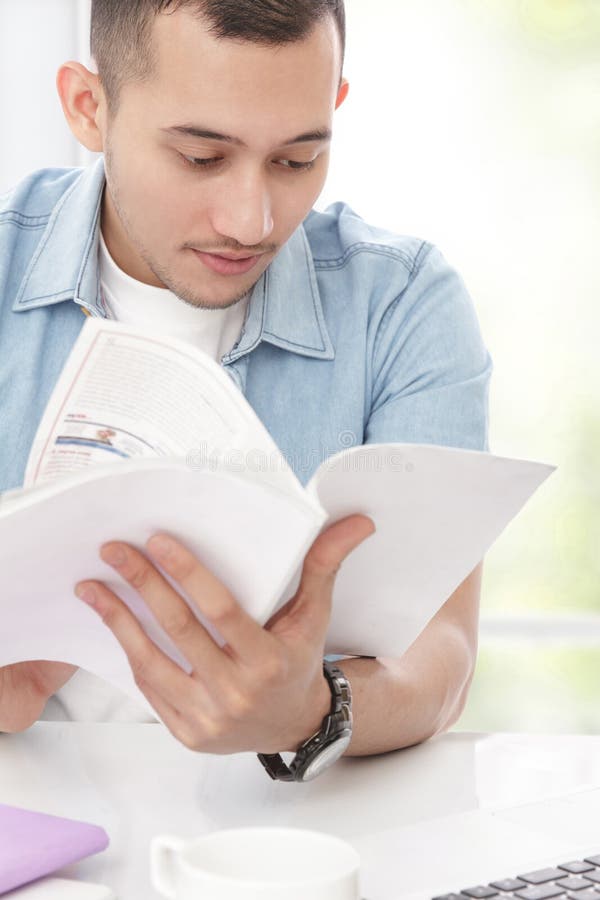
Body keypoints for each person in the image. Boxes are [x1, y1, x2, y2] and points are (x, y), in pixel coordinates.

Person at [0, 0, 491, 778]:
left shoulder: (400, 304)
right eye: (201, 157)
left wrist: (310, 712)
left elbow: (445, 655)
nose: (251, 221)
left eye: (296, 160)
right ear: (88, 108)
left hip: (302, 838)